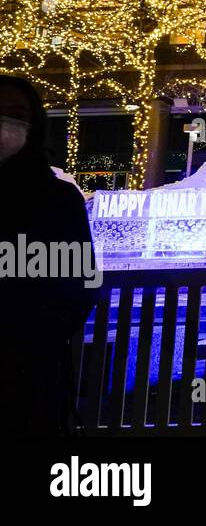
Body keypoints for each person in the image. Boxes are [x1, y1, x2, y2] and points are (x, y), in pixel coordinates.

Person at [0, 75, 98, 436]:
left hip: (27, 378)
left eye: (15, 113)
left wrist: (30, 342)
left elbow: (75, 286)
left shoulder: (57, 200)